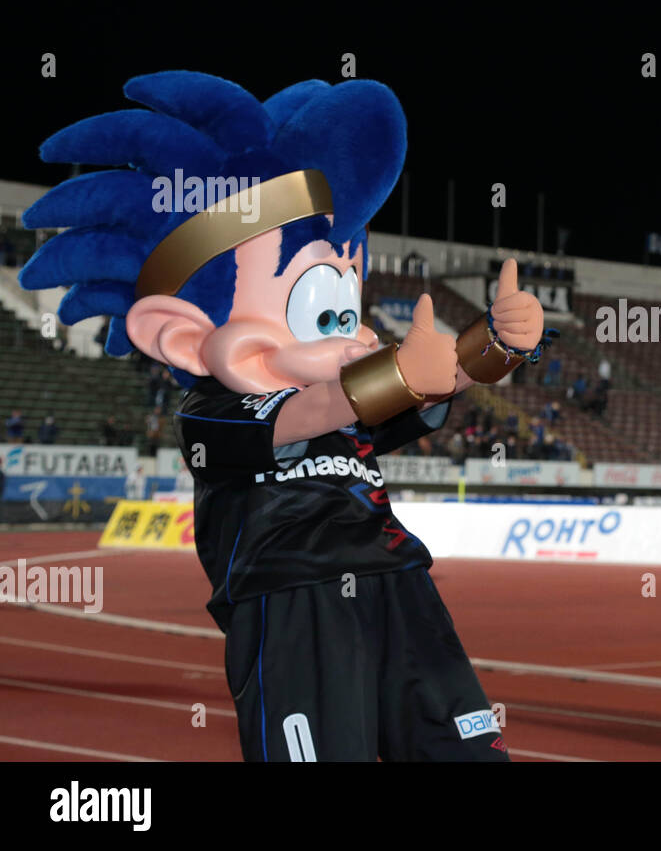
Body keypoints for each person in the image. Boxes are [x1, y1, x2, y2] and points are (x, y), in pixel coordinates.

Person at [18, 69, 549, 762]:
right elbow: (308, 412)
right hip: (292, 595)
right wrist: (391, 375)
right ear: (182, 332)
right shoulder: (208, 414)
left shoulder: (349, 393)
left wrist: (498, 347)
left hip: (398, 580)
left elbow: (431, 386)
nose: (336, 324)